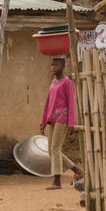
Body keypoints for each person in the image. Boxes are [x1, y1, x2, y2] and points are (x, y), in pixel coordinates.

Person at [39, 55, 83, 190]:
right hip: (52, 119)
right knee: (51, 151)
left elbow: (71, 103)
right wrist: (43, 121)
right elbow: (48, 103)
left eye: (56, 65)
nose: (53, 67)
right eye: (52, 65)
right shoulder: (53, 82)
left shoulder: (67, 82)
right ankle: (78, 170)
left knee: (55, 149)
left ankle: (57, 181)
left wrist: (71, 123)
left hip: (62, 119)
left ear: (63, 67)